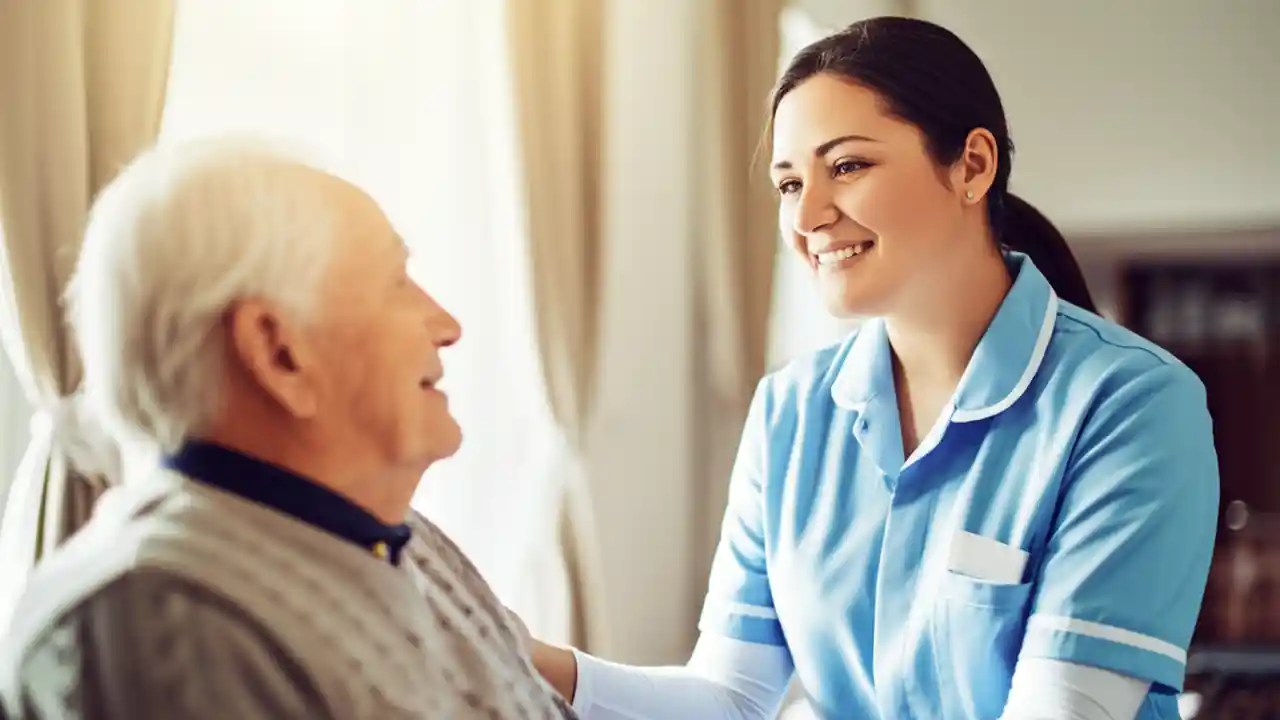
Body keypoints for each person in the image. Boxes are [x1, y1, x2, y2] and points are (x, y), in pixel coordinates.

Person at [524, 16, 1219, 720]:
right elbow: (730, 699)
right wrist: (518, 653)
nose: (810, 215)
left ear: (972, 166)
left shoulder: (1133, 406)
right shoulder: (789, 412)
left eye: (848, 166)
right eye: (789, 184)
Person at [0, 139, 575, 719]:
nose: (446, 326)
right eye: (397, 281)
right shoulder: (164, 620)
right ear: (278, 353)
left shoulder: (403, 543)